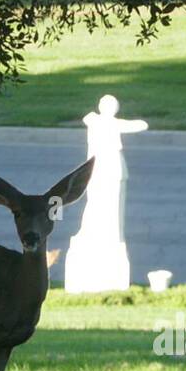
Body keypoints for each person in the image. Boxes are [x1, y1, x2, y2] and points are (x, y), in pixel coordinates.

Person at [65, 95, 147, 293]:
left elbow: (139, 125)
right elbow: (140, 125)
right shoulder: (104, 123)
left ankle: (97, 233)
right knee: (105, 207)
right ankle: (94, 233)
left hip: (104, 170)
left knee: (103, 206)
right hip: (107, 169)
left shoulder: (96, 121)